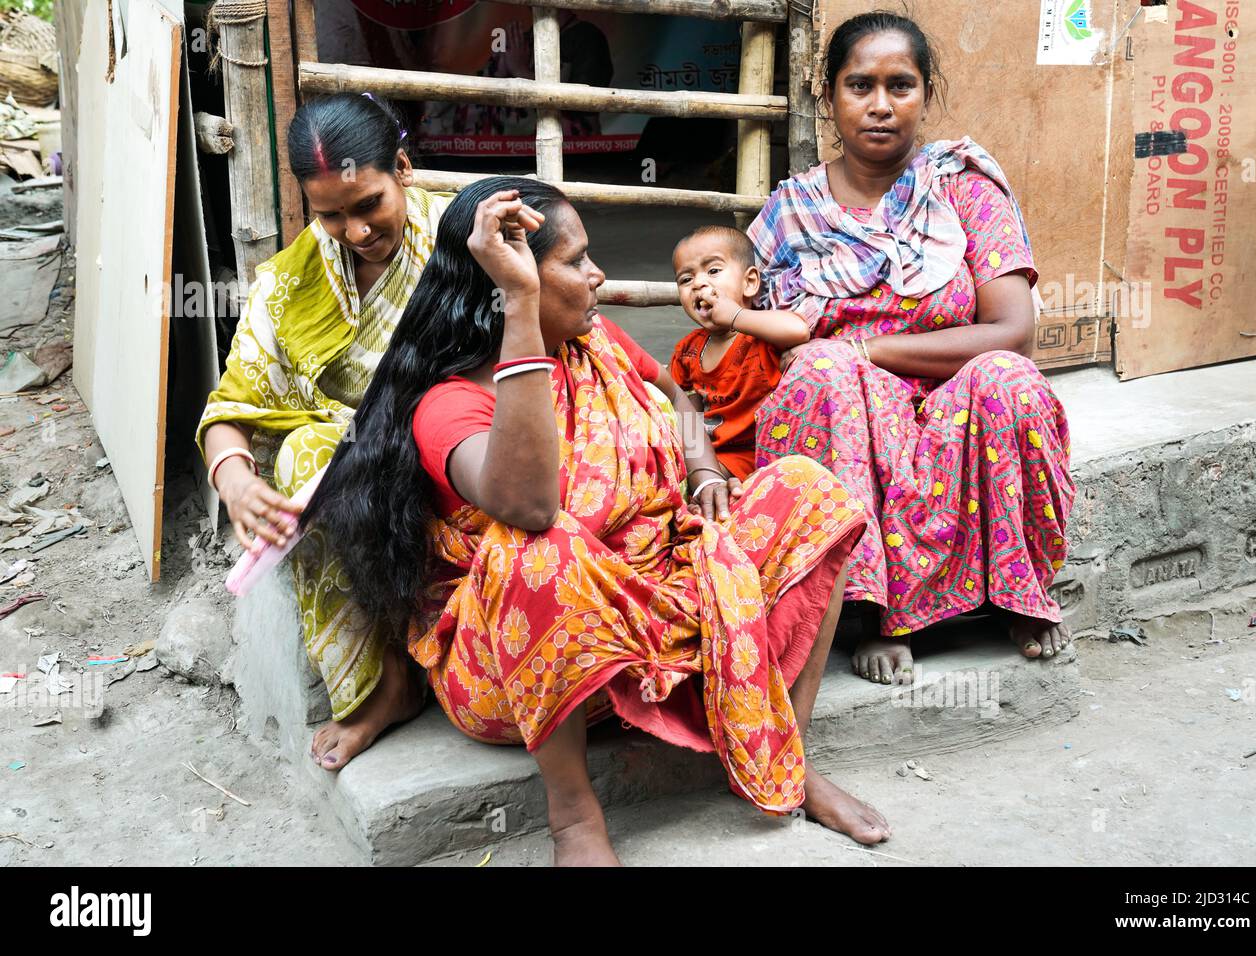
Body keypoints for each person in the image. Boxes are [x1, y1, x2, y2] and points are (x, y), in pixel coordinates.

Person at [303, 176, 894, 864]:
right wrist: (522, 304)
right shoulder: (449, 405)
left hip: (666, 608)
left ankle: (785, 746)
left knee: (808, 488)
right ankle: (575, 820)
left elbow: (677, 394)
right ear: (514, 277)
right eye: (576, 260)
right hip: (519, 669)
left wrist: (702, 470)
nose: (597, 274)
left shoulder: (597, 342)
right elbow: (528, 505)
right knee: (538, 546)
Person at [746, 11, 1076, 684]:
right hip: (851, 415)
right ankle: (868, 614)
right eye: (859, 85)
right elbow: (760, 344)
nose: (879, 105)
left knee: (1008, 378)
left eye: (900, 85)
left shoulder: (964, 189)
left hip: (952, 395)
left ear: (925, 93)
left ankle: (1012, 590)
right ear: (828, 94)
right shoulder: (792, 212)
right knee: (823, 373)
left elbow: (1012, 330)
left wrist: (871, 350)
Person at [198, 93, 451, 768]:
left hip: (453, 448)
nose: (357, 230)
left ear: (402, 168)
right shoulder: (289, 282)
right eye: (331, 215)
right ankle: (382, 686)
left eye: (369, 203)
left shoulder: (462, 241)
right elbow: (233, 405)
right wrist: (234, 481)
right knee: (309, 456)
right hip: (354, 469)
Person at [668, 225, 809, 481]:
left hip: (754, 455)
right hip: (705, 453)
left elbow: (799, 330)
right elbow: (680, 410)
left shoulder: (760, 336)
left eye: (713, 271)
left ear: (750, 282)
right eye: (686, 279)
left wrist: (736, 316)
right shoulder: (688, 351)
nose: (699, 284)